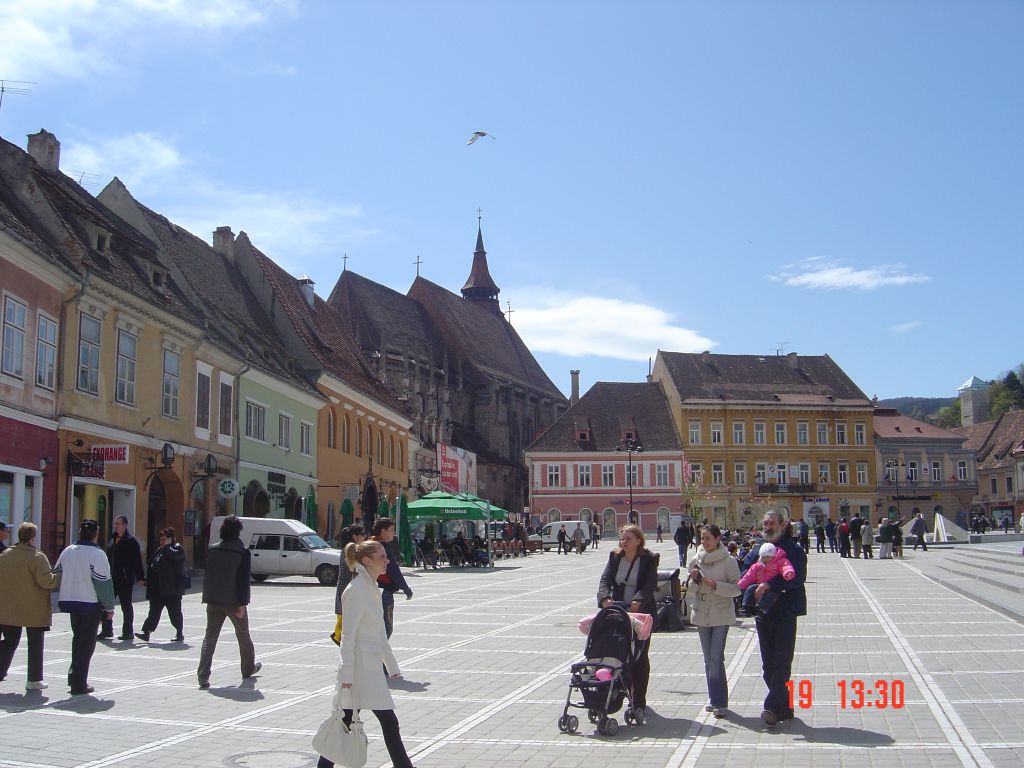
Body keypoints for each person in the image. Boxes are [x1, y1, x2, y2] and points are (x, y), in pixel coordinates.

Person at [317, 539, 414, 768]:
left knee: (348, 722)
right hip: (359, 670)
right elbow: (347, 636)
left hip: (369, 668)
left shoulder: (371, 588)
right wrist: (347, 675)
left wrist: (392, 667)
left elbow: (379, 633)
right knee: (378, 722)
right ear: (367, 561)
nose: (387, 561)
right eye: (382, 557)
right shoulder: (357, 590)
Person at [596, 524, 658, 718]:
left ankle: (639, 700)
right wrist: (604, 597)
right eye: (622, 538)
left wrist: (639, 600)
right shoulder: (615, 557)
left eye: (628, 538)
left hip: (641, 613)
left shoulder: (649, 559)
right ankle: (619, 694)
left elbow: (650, 583)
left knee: (639, 655)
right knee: (620, 653)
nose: (624, 542)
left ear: (639, 540)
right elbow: (605, 579)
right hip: (619, 611)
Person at [753, 510, 807, 726]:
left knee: (781, 662)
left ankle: (772, 707)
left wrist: (770, 584)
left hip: (785, 611)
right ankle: (784, 707)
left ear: (783, 525)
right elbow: (747, 570)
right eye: (765, 523)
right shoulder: (759, 549)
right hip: (763, 612)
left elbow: (798, 578)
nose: (767, 526)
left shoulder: (793, 550)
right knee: (768, 665)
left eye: (772, 523)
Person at [198, 515, 261, 688]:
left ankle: (203, 675)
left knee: (210, 637)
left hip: (213, 600)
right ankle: (248, 668)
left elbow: (208, 575)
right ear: (238, 532)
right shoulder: (242, 552)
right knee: (243, 634)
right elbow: (243, 580)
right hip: (234, 601)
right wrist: (242, 603)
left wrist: (208, 597)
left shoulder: (213, 549)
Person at [53, 519, 115, 695]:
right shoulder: (97, 554)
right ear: (96, 533)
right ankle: (79, 682)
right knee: (86, 644)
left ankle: (74, 676)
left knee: (78, 639)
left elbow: (56, 572)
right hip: (89, 603)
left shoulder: (68, 551)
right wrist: (109, 607)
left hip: (70, 601)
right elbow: (103, 583)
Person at [687, 524, 741, 717]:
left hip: (720, 612)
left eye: (708, 538)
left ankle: (720, 702)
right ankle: (712, 697)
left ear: (718, 539)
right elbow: (689, 590)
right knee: (708, 659)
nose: (704, 542)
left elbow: (737, 589)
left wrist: (714, 584)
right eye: (702, 538)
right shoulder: (696, 559)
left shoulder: (729, 561)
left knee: (716, 658)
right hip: (701, 612)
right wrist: (694, 581)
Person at [0, 522, 60, 690]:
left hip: (8, 607)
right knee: (35, 643)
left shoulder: (5, 554)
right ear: (33, 537)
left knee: (10, 641)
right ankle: (34, 680)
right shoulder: (37, 557)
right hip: (33, 608)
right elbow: (46, 581)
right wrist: (58, 577)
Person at [136, 527, 186, 642]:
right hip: (157, 589)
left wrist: (167, 546)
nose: (161, 541)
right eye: (161, 539)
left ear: (170, 539)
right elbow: (154, 565)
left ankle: (179, 633)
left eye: (164, 539)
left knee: (175, 612)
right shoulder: (160, 550)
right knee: (153, 612)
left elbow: (176, 559)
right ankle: (146, 632)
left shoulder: (177, 549)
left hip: (171, 589)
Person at [99, 515, 145, 641]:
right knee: (106, 604)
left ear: (125, 525)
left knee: (126, 606)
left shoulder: (131, 541)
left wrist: (140, 577)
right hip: (110, 578)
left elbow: (137, 561)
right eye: (115, 524)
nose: (115, 526)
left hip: (124, 579)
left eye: (118, 524)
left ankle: (128, 632)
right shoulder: (113, 539)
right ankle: (107, 630)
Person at [371, 518, 412, 639]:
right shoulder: (383, 547)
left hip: (372, 588)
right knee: (386, 627)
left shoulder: (369, 544)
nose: (394, 533)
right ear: (383, 531)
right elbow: (394, 569)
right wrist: (406, 589)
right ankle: (380, 654)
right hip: (385, 590)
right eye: (392, 530)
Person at [737, 542, 795, 616]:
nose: (765, 559)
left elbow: (786, 566)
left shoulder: (780, 561)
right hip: (759, 584)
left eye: (768, 557)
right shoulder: (758, 565)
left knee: (770, 595)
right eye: (763, 557)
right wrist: (742, 584)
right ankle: (746, 606)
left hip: (772, 586)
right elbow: (749, 575)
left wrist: (788, 572)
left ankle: (761, 608)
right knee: (750, 589)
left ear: (773, 555)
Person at [331, 525, 366, 645]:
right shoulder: (351, 550)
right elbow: (352, 572)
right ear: (355, 537)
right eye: (362, 534)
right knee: (347, 626)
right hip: (347, 592)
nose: (364, 537)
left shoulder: (348, 549)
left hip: (345, 591)